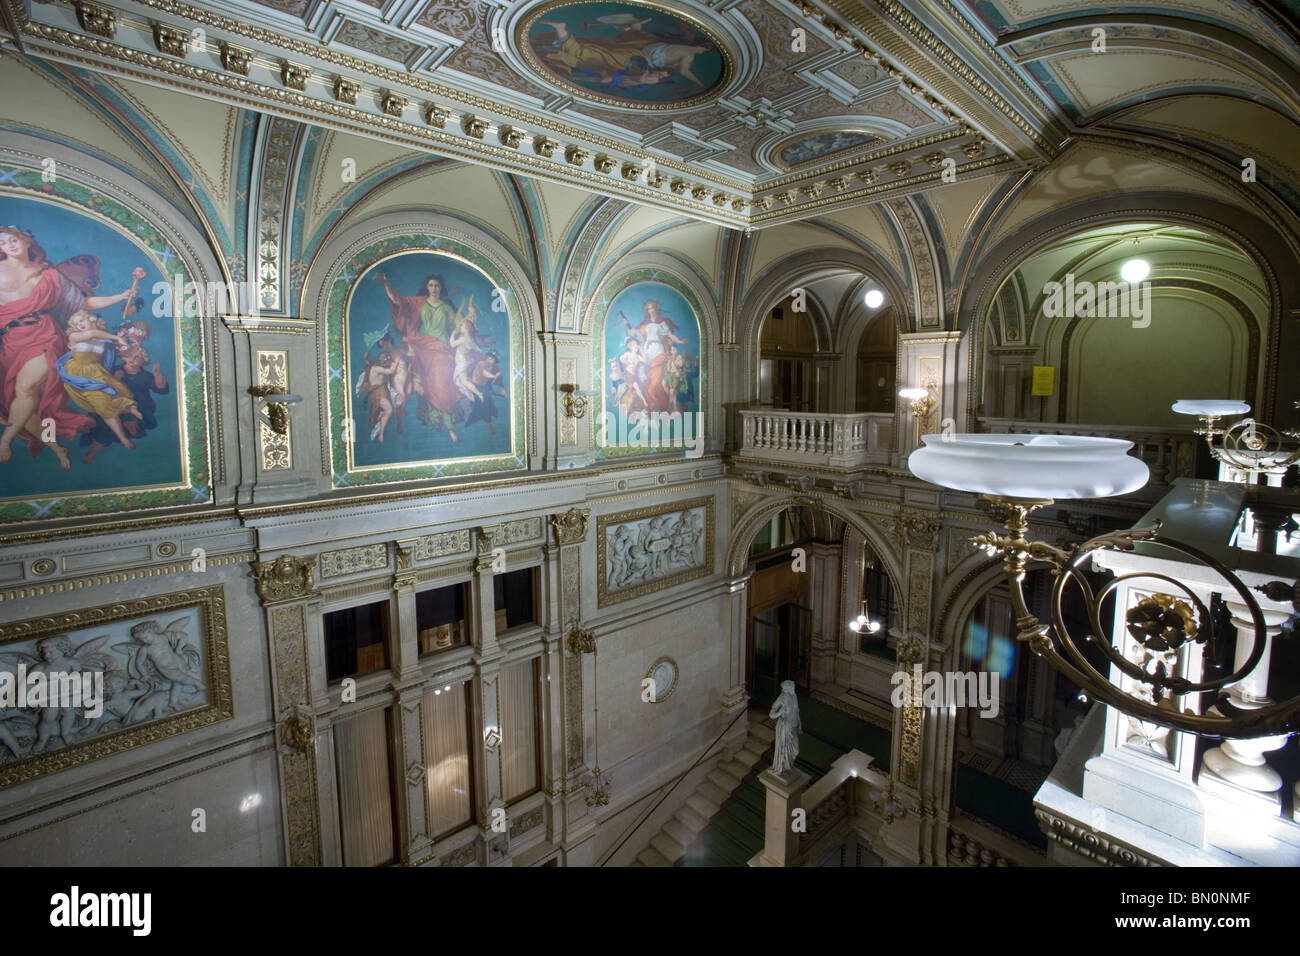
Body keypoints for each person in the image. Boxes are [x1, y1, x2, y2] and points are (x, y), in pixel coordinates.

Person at [0, 225, 144, 466]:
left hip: (44, 334)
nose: (8, 245)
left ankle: (5, 441)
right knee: (26, 400)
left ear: (26, 241)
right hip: (11, 340)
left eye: (13, 239)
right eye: (2, 242)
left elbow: (83, 302)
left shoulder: (49, 275)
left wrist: (119, 297)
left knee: (27, 386)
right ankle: (57, 448)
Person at [374, 271, 462, 442]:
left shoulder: (446, 307)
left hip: (441, 349)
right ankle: (438, 420)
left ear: (441, 287)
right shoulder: (418, 303)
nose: (434, 288)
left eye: (437, 285)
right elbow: (398, 300)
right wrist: (386, 283)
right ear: (427, 287)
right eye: (431, 285)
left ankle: (449, 424)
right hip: (422, 348)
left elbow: (458, 325)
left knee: (442, 383)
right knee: (427, 384)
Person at [57, 310, 142, 450]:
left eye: (82, 320)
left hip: (96, 371)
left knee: (120, 390)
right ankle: (123, 438)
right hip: (80, 373)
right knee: (101, 404)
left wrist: (127, 344)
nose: (80, 325)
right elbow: (91, 334)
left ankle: (131, 408)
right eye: (77, 323)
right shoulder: (75, 336)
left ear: (90, 319)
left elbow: (109, 351)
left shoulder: (103, 339)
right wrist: (117, 338)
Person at [769, 680, 801, 776]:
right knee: (784, 747)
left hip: (793, 726)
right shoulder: (782, 698)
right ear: (787, 688)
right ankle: (782, 768)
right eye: (792, 687)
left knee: (795, 749)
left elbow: (796, 711)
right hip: (784, 726)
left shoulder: (794, 696)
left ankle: (788, 766)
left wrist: (799, 724)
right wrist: (779, 713)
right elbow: (771, 714)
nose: (793, 688)